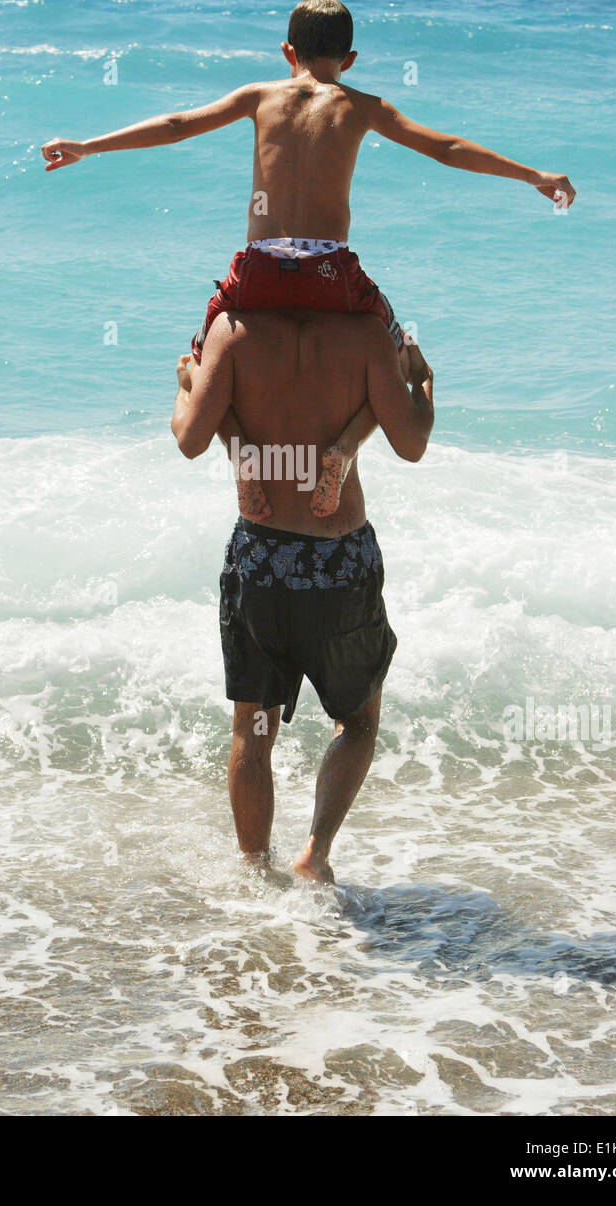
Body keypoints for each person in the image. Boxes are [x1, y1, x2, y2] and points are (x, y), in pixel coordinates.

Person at [42, 0, 575, 516]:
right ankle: (342, 451)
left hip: (260, 268)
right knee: (393, 349)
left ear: (286, 51)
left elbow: (178, 125)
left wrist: (89, 146)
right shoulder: (364, 106)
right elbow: (447, 148)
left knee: (206, 353)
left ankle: (241, 458)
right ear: (350, 60)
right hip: (330, 273)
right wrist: (533, 175)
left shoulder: (259, 95)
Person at [170, 305, 434, 883]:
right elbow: (411, 443)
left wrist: (188, 390)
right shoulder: (365, 329)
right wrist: (421, 382)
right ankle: (314, 853)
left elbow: (190, 439)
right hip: (339, 562)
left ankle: (254, 874)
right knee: (358, 723)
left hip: (262, 559)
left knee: (252, 729)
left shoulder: (230, 330)